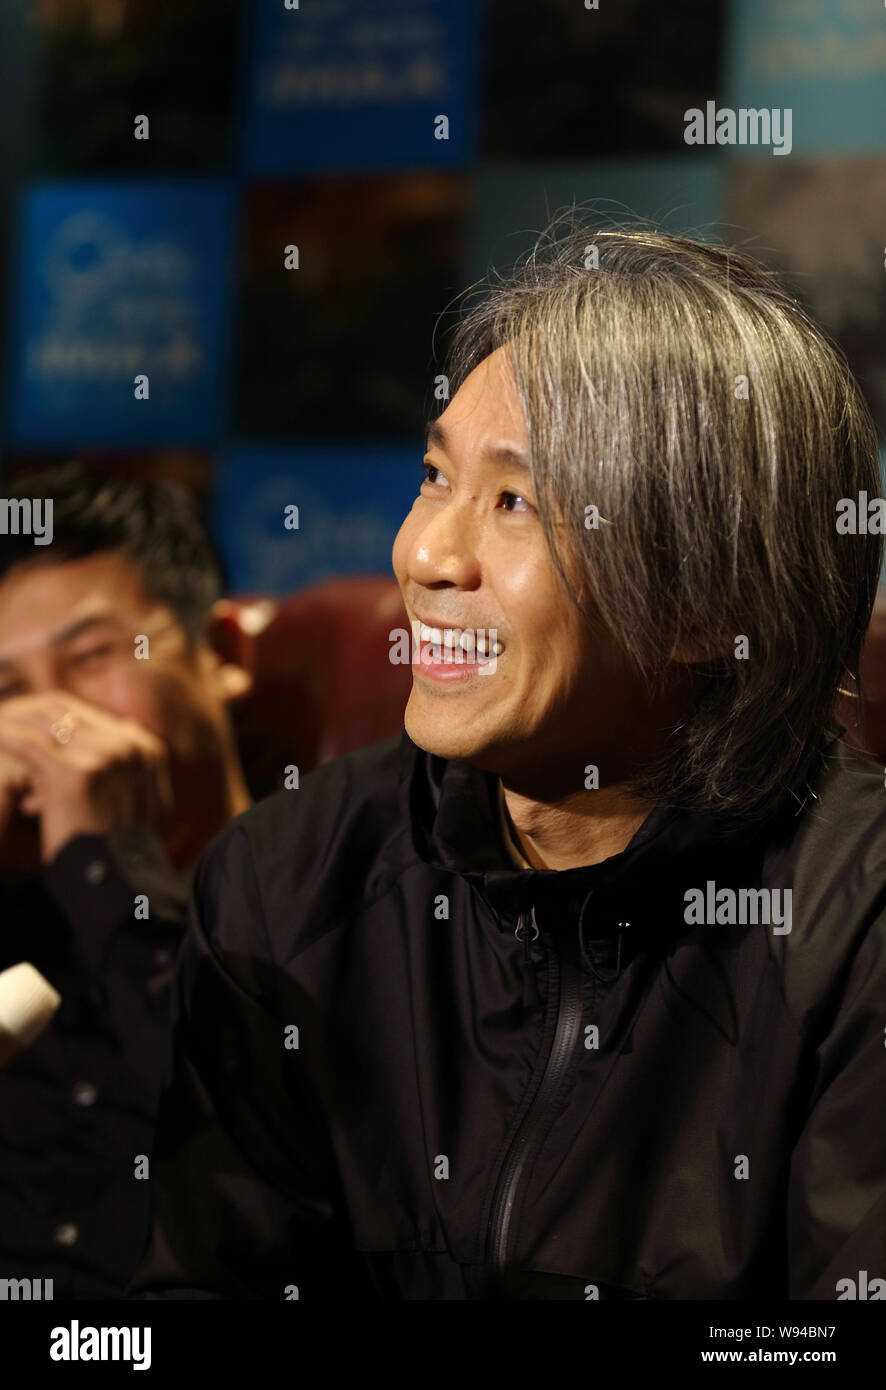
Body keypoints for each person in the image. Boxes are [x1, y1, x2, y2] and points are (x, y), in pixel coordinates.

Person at [129, 218, 886, 1300]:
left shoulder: (855, 926)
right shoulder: (291, 874)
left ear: (708, 601)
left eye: (515, 501)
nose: (427, 554)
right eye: (434, 477)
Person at [0, 463, 253, 1297]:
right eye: (6, 691)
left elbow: (263, 1130)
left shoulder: (339, 886)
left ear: (223, 652)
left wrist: (108, 865)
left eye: (93, 656)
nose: (49, 723)